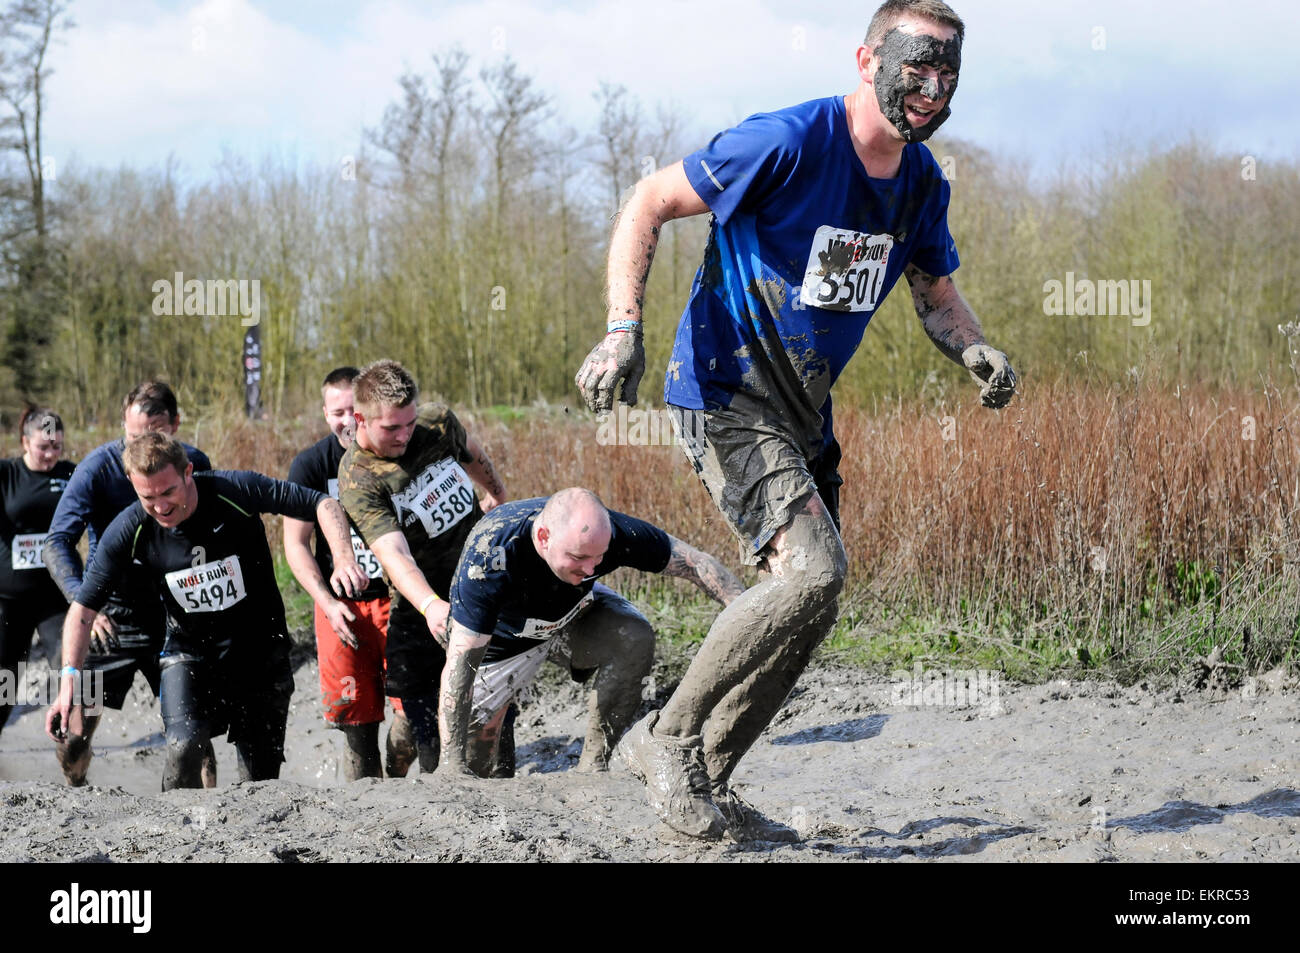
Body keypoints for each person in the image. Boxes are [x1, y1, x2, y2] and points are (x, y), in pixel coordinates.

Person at [575, 0, 1018, 839]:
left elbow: (936, 292)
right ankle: (666, 738)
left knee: (811, 602)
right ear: (866, 62)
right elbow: (646, 201)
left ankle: (706, 778)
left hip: (803, 413)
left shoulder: (922, 185)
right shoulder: (783, 143)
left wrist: (975, 350)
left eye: (948, 75)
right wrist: (622, 328)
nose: (931, 89)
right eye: (915, 69)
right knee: (811, 572)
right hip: (724, 390)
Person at [45, 432, 366, 789]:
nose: (161, 507)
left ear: (188, 473)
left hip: (260, 651)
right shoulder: (131, 527)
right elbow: (83, 611)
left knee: (258, 781)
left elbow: (324, 503)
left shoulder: (234, 490)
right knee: (183, 748)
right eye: (147, 496)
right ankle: (177, 837)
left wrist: (343, 559)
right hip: (189, 653)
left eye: (168, 492)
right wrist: (68, 681)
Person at [439, 488, 744, 779]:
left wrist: (751, 619)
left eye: (597, 558)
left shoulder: (611, 534)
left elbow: (696, 563)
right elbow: (461, 662)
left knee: (634, 636)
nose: (589, 569)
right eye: (578, 557)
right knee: (478, 768)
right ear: (544, 538)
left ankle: (593, 766)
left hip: (569, 618)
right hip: (500, 646)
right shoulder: (493, 553)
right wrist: (451, 764)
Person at [41, 381, 217, 786]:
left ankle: (212, 816)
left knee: (195, 736)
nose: (140, 446)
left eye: (154, 435)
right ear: (123, 424)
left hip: (173, 613)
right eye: (133, 435)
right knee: (73, 734)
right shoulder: (98, 468)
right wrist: (83, 601)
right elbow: (56, 541)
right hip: (111, 617)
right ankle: (77, 790)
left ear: (175, 425)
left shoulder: (194, 463)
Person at [337, 359, 506, 773]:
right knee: (421, 727)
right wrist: (431, 605)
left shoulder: (436, 423)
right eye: (391, 428)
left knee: (495, 709)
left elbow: (473, 456)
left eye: (408, 423)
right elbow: (393, 553)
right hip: (418, 604)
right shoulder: (359, 478)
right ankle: (402, 765)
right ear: (360, 418)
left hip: (475, 581)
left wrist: (498, 499)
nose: (404, 435)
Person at [284, 366, 417, 780]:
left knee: (411, 718)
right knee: (357, 727)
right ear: (325, 413)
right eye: (336, 412)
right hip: (344, 608)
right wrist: (325, 601)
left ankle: (398, 774)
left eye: (352, 411)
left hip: (401, 599)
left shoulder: (401, 449)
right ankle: (366, 817)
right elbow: (294, 544)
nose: (345, 421)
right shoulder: (309, 466)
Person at [0, 409, 77, 740]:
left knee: (78, 674)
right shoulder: (6, 474)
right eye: (43, 447)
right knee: (5, 683)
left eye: (57, 447)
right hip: (9, 600)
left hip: (55, 600)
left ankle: (75, 753)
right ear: (24, 442)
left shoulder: (72, 475)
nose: (50, 455)